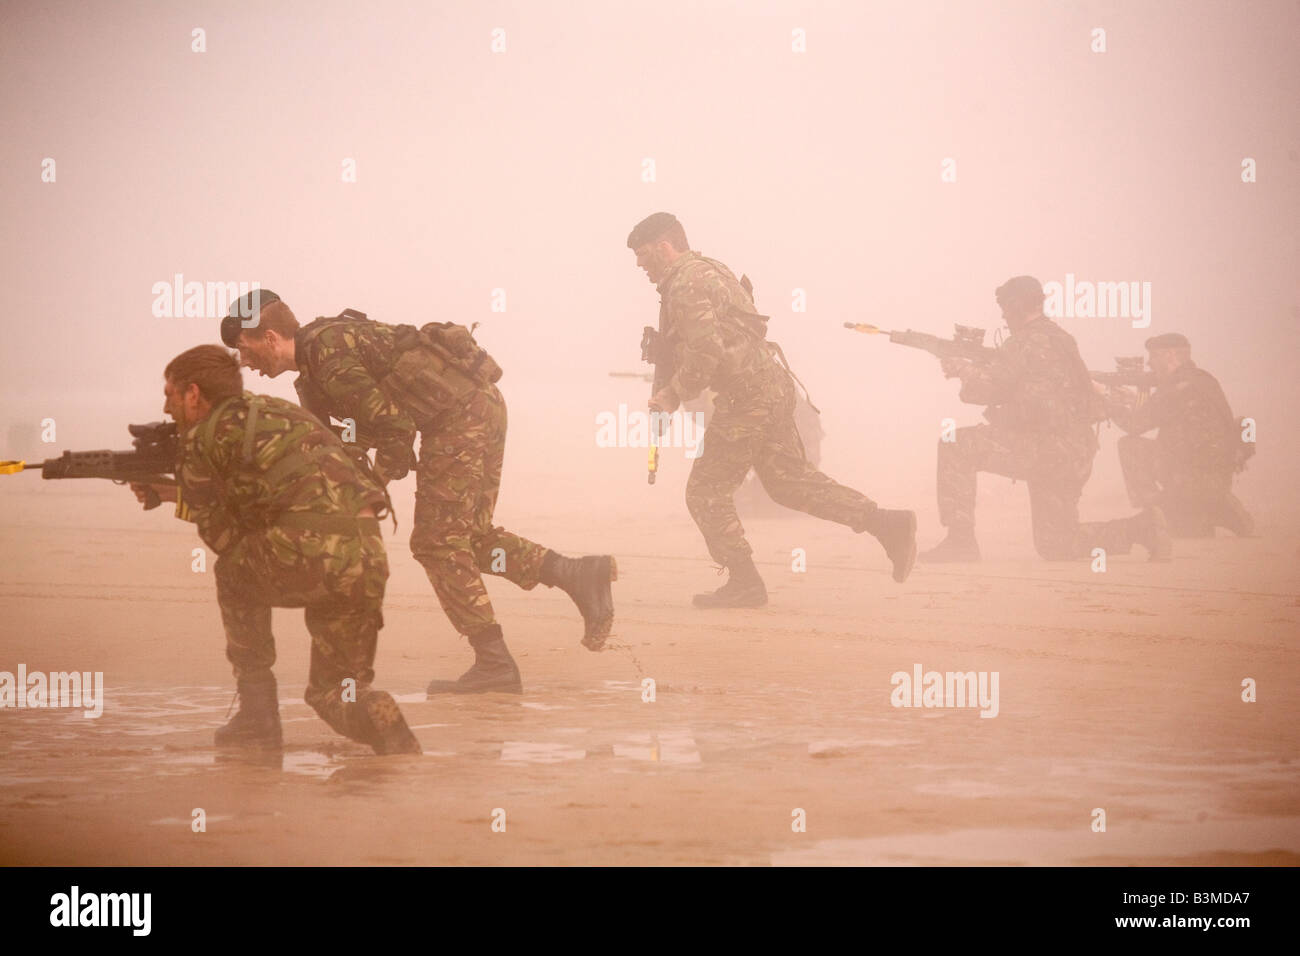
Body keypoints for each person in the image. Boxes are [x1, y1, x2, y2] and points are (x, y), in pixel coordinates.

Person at [220, 291, 616, 695]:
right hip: (479, 405)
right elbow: (343, 448)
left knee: (437, 542)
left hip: (460, 417)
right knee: (469, 536)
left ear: (269, 338)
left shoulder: (328, 356)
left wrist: (372, 490)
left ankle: (495, 664)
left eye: (244, 349)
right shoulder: (314, 371)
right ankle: (577, 575)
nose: (245, 363)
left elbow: (395, 430)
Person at [133, 344, 421, 754]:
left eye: (170, 394)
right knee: (332, 692)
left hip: (307, 554)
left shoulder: (202, 438)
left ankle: (258, 715)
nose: (166, 407)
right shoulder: (277, 413)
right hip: (366, 555)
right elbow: (272, 492)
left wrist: (186, 499)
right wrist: (172, 492)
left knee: (232, 574)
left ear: (194, 393)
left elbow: (224, 536)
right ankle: (375, 709)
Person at [627, 212, 917, 607]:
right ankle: (888, 524)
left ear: (664, 246)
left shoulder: (686, 284)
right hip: (770, 386)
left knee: (705, 491)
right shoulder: (710, 269)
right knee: (787, 482)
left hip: (748, 396)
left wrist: (673, 394)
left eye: (644, 255)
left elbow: (707, 351)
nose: (640, 265)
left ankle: (745, 583)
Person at [921, 276, 1171, 563]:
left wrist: (963, 370)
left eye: (1004, 308)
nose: (1002, 315)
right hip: (1073, 453)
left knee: (955, 443)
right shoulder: (1061, 339)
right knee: (1057, 544)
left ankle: (960, 541)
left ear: (1016, 307)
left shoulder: (1022, 343)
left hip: (1041, 447)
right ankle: (1143, 529)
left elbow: (989, 390)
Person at [1109, 333, 1254, 536]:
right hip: (1219, 476)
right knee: (1193, 529)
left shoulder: (1176, 386)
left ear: (1170, 355)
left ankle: (1157, 513)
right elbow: (1177, 417)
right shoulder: (1204, 380)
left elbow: (1135, 425)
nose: (1150, 363)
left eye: (1154, 356)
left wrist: (1108, 400)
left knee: (1129, 445)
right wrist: (1135, 401)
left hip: (1187, 477)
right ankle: (1218, 506)